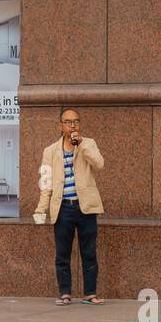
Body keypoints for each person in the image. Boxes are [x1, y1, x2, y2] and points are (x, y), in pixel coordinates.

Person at [34, 107, 105, 305]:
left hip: (86, 208)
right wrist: (41, 209)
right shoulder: (50, 151)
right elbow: (46, 182)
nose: (72, 125)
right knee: (62, 254)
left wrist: (81, 145)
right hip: (63, 208)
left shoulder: (88, 144)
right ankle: (65, 293)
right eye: (68, 122)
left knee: (89, 253)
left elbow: (99, 164)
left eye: (76, 121)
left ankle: (90, 293)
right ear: (60, 125)